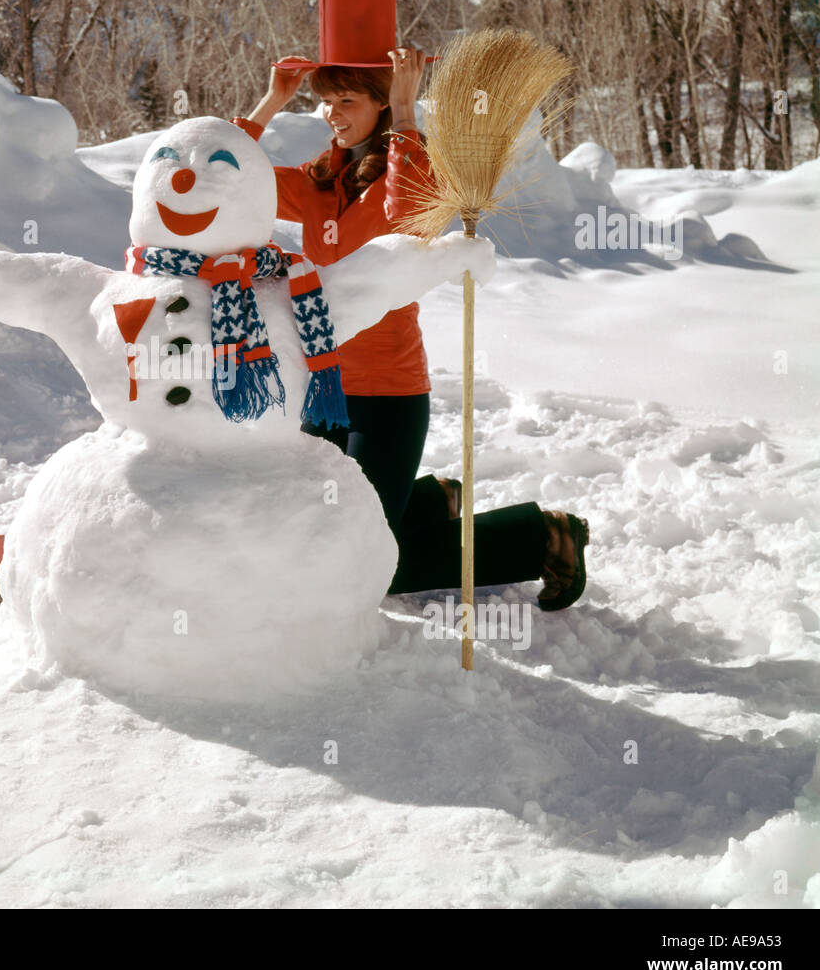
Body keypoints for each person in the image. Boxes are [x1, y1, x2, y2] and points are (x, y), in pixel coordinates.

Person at [232, 48, 589, 609]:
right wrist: (272, 100)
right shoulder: (321, 183)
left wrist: (404, 109)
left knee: (367, 568)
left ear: (379, 106)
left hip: (388, 393)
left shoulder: (401, 182)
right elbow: (228, 181)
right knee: (314, 529)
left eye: (346, 100)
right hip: (325, 387)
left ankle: (542, 536)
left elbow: (408, 204)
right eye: (325, 101)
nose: (331, 113)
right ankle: (426, 505)